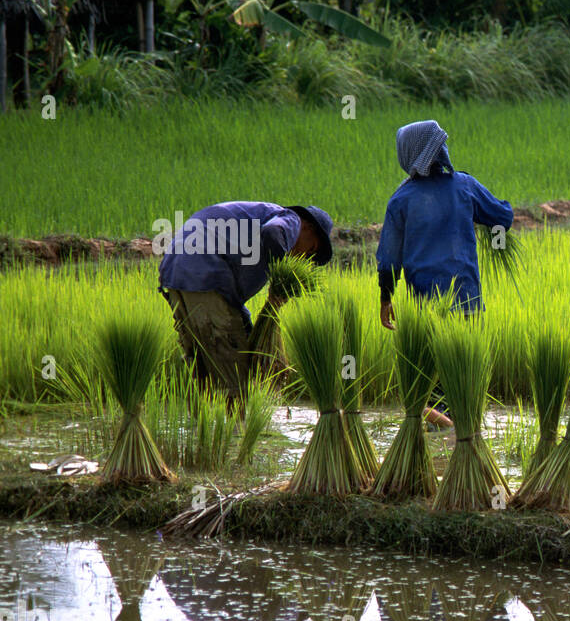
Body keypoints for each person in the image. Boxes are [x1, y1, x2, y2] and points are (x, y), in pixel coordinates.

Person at [376, 120, 513, 428]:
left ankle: (439, 440)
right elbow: (503, 217)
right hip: (468, 305)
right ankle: (462, 444)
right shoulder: (464, 186)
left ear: (408, 155)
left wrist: (386, 299)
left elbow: (388, 260)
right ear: (439, 151)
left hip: (426, 310)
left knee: (432, 387)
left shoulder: (401, 200)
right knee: (465, 386)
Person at [158, 202, 334, 406]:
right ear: (308, 227)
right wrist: (281, 272)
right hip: (204, 269)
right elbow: (272, 233)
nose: (303, 258)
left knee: (202, 368)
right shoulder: (291, 219)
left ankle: (203, 433)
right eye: (311, 249)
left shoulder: (258, 218)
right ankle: (239, 433)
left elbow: (230, 302)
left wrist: (250, 329)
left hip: (175, 272)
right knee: (236, 375)